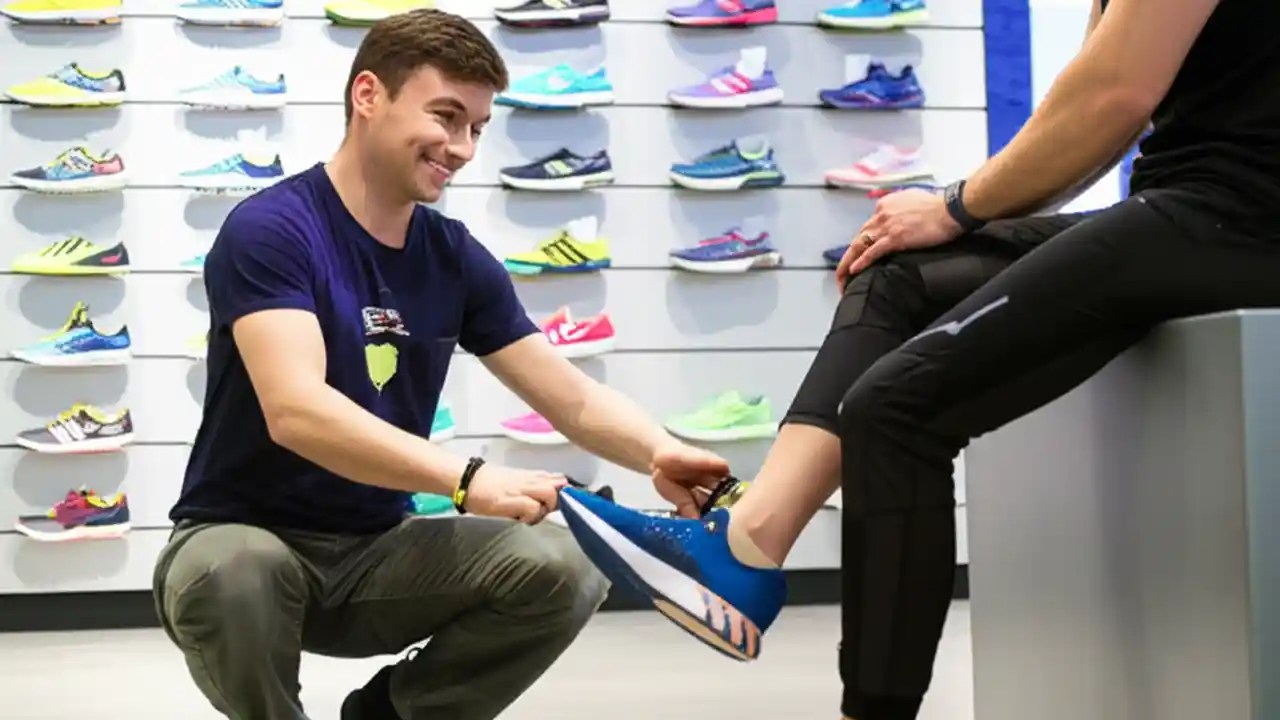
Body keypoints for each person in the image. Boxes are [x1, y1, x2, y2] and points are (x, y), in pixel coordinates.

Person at [555, 1, 1280, 718]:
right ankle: (747, 547)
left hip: (1244, 220)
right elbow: (1094, 99)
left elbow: (1115, 98)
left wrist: (958, 206)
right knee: (895, 271)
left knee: (893, 409)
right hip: (1191, 206)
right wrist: (957, 215)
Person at [150, 10, 731, 720]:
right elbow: (294, 410)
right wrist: (467, 480)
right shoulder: (272, 229)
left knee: (565, 568)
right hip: (240, 538)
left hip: (375, 551)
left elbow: (570, 399)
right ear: (369, 96)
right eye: (446, 116)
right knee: (236, 572)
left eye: (476, 129)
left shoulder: (454, 256)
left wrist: (659, 452)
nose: (461, 147)